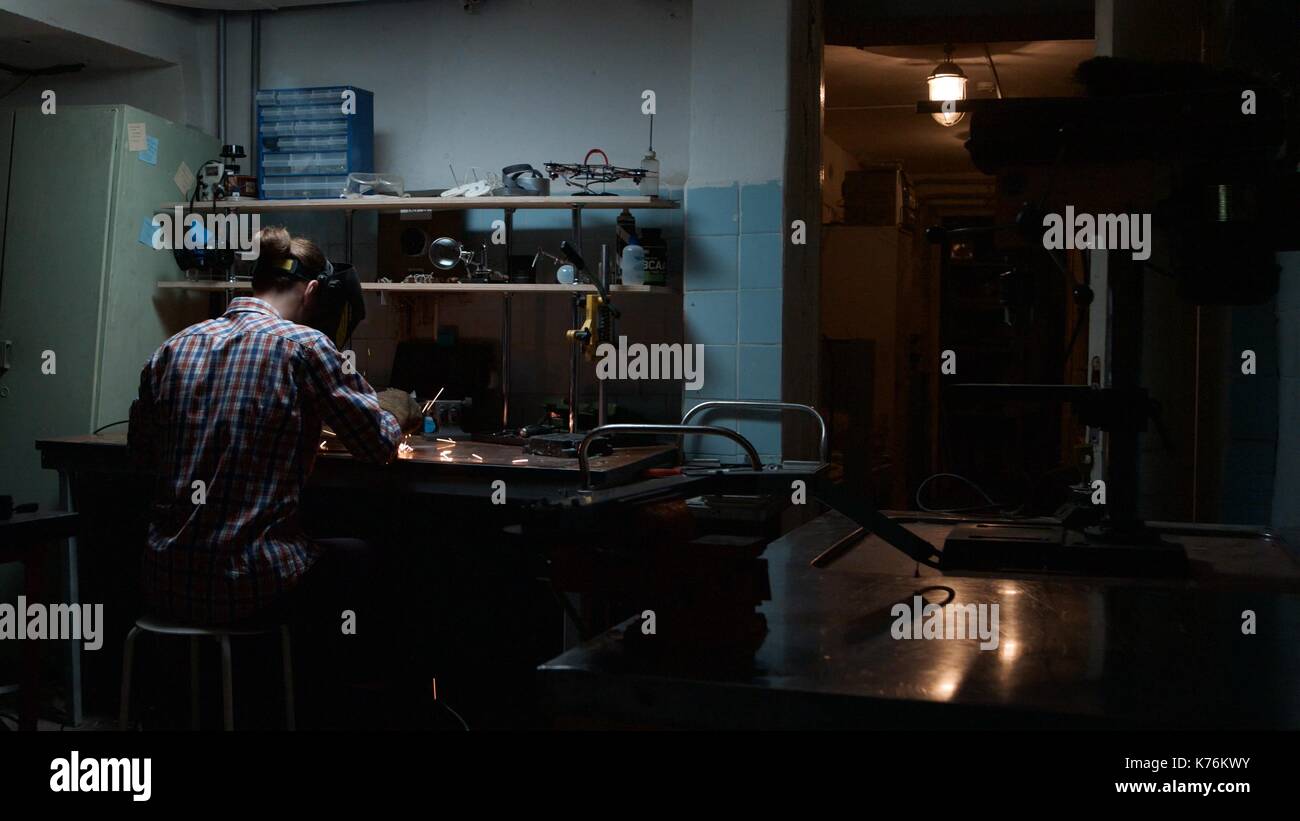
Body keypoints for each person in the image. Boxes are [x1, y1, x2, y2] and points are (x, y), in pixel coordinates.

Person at [128, 225, 419, 633]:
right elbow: (379, 445)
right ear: (313, 291)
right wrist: (395, 404)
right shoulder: (305, 346)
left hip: (163, 580)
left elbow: (140, 454)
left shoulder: (174, 347)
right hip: (248, 584)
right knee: (366, 554)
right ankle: (343, 692)